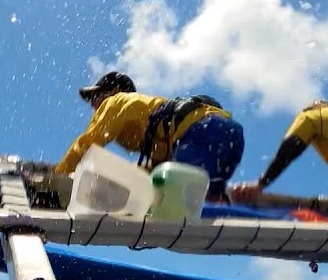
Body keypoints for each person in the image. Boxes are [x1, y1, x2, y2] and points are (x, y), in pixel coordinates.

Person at [54, 71, 245, 201]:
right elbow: (158, 166)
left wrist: (57, 180)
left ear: (113, 91)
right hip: (229, 134)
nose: (92, 104)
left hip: (202, 132)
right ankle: (226, 197)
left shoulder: (117, 101)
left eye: (95, 96)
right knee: (205, 201)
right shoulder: (147, 113)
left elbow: (87, 143)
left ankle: (216, 197)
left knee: (174, 203)